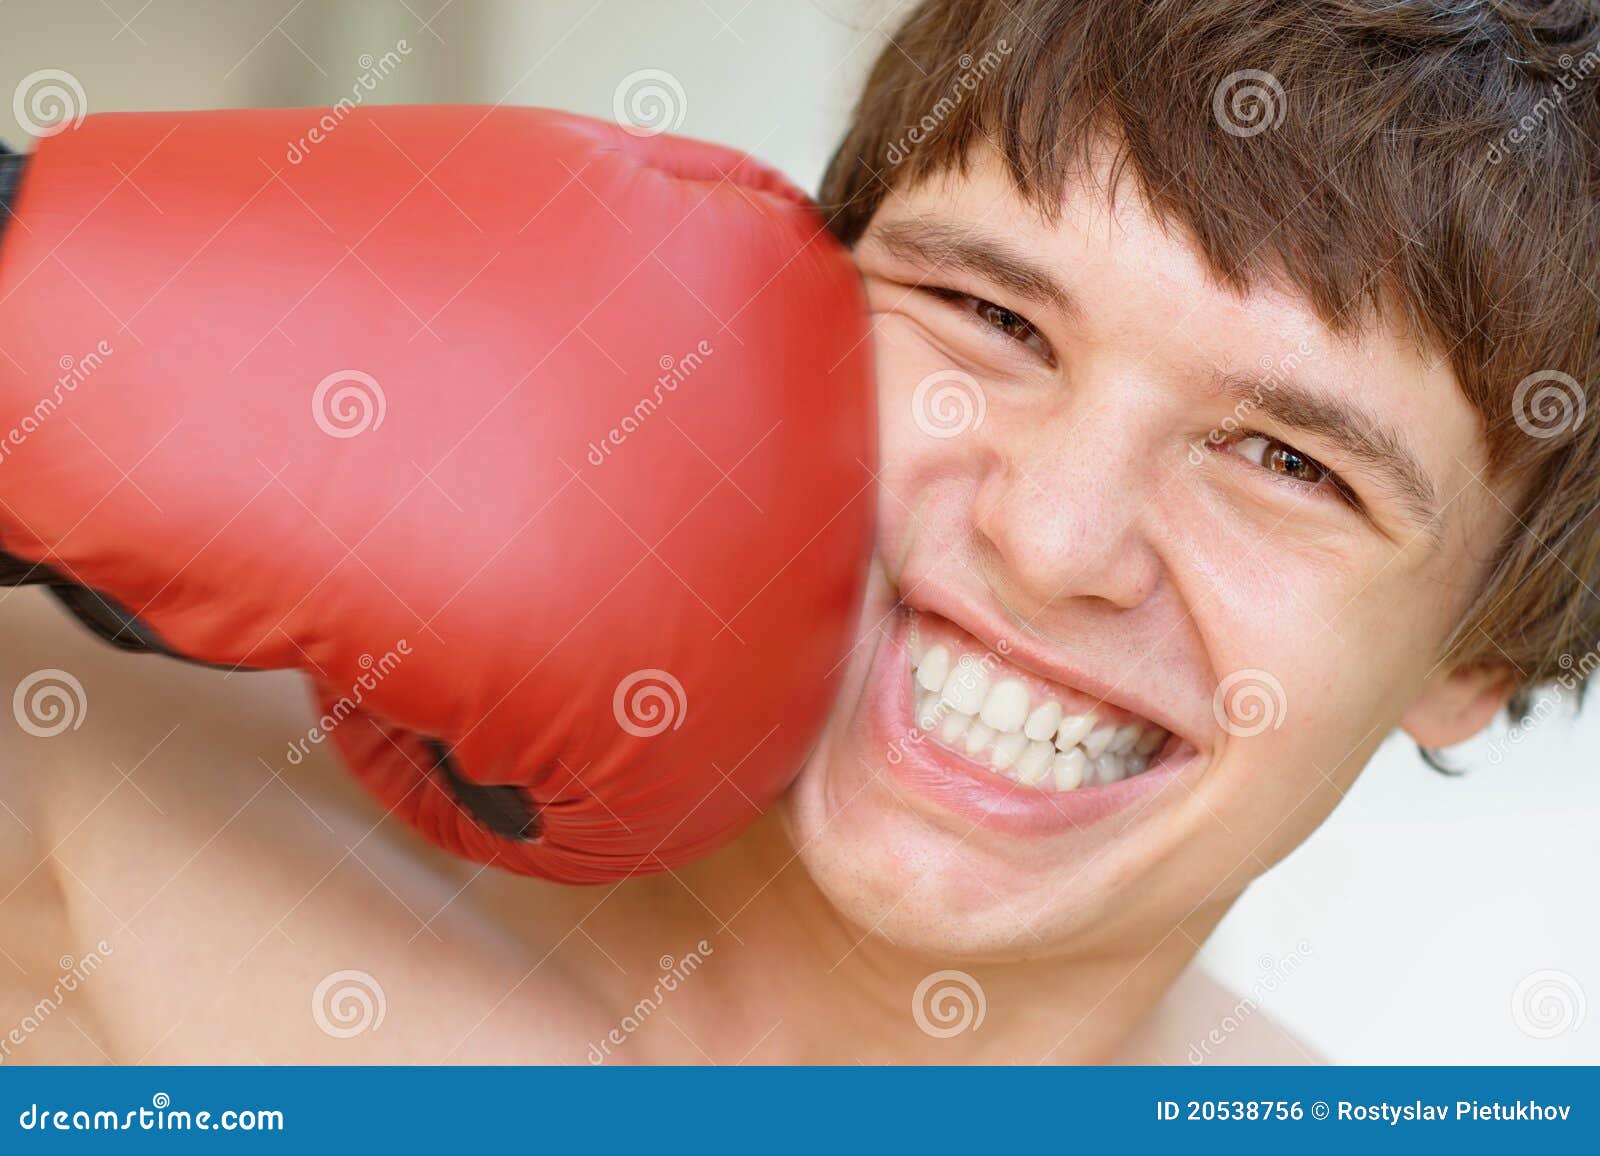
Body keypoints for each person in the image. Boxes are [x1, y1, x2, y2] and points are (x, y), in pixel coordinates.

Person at [2, 0, 1596, 1064]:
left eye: (1289, 462)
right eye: (989, 317)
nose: (1049, 541)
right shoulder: (90, 807)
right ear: (789, 286)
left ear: (1483, 649)